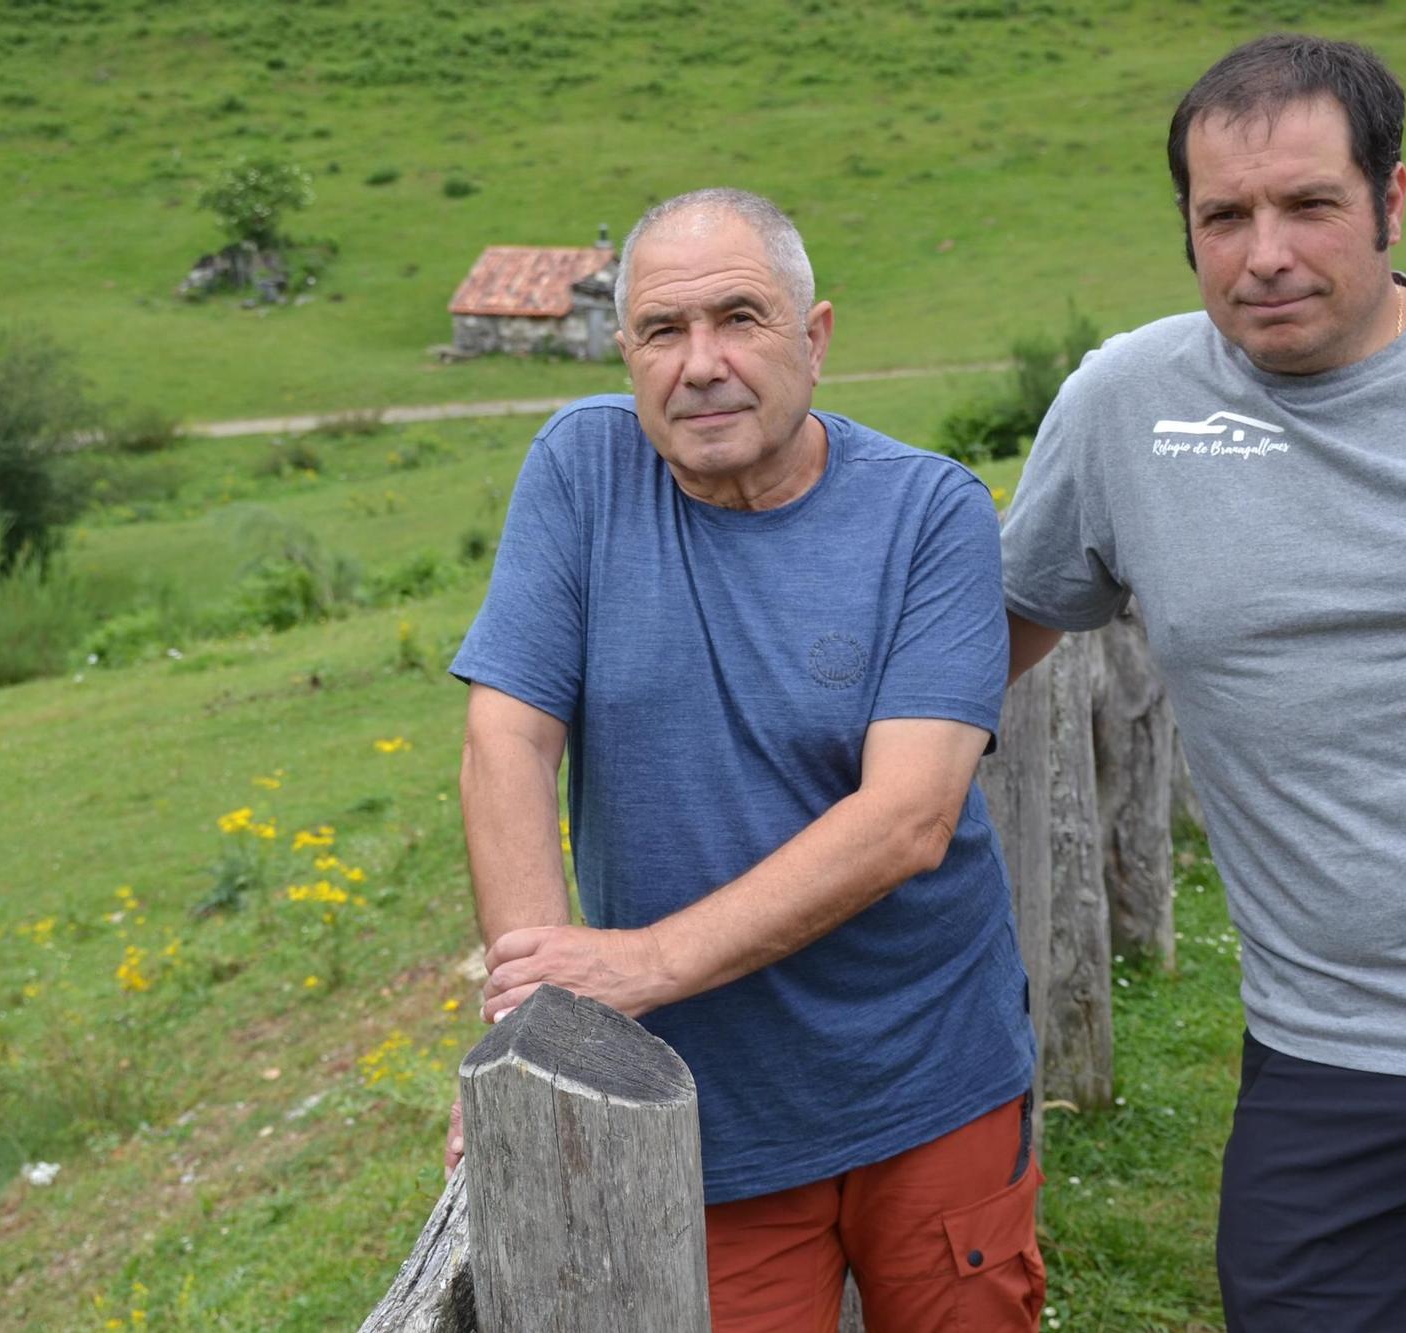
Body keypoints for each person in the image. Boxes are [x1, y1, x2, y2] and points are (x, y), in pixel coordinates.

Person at [1000, 32, 1406, 1333]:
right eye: (1224, 216)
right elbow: (982, 641)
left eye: (1310, 205)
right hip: (1325, 1069)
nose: (1266, 255)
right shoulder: (1124, 408)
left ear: (1393, 200)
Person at [447, 188, 1043, 1332]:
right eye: (663, 332)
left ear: (813, 339)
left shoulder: (928, 512)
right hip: (693, 1110)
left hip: (927, 1079)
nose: (700, 364)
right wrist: (541, 1037)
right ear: (624, 354)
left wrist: (634, 967)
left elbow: (909, 816)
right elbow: (505, 738)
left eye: (739, 319)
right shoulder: (581, 470)